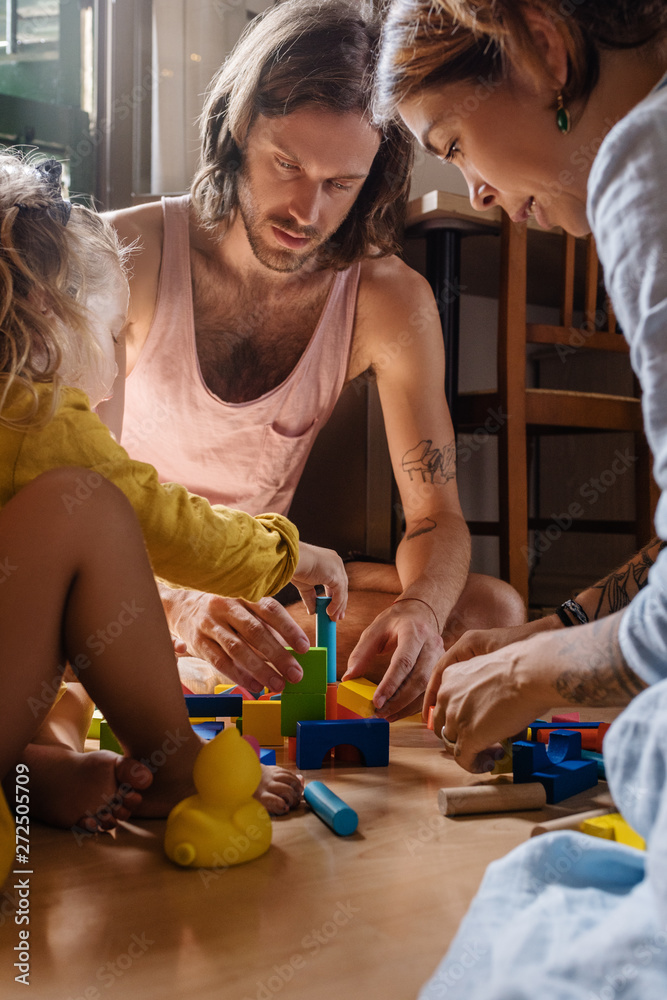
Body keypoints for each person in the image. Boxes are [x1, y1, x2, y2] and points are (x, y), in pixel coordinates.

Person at [107, 0, 525, 723]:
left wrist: (422, 611)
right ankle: (174, 656)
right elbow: (77, 490)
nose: (306, 211)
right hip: (124, 583)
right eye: (287, 165)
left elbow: (436, 516)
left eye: (340, 184)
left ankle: (209, 669)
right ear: (239, 129)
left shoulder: (390, 298)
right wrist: (178, 602)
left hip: (254, 589)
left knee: (489, 610)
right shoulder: (127, 257)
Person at [376, 1, 667, 996]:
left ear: (542, 45)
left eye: (454, 144)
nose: (477, 193)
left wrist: (533, 673)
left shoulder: (643, 159)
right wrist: (551, 630)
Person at [0, 150, 342, 821]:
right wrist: (289, 553)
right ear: (48, 314)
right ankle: (176, 764)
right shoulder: (37, 416)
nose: (116, 360)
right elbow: (173, 530)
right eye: (113, 333)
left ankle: (36, 768)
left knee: (75, 669)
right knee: (90, 512)